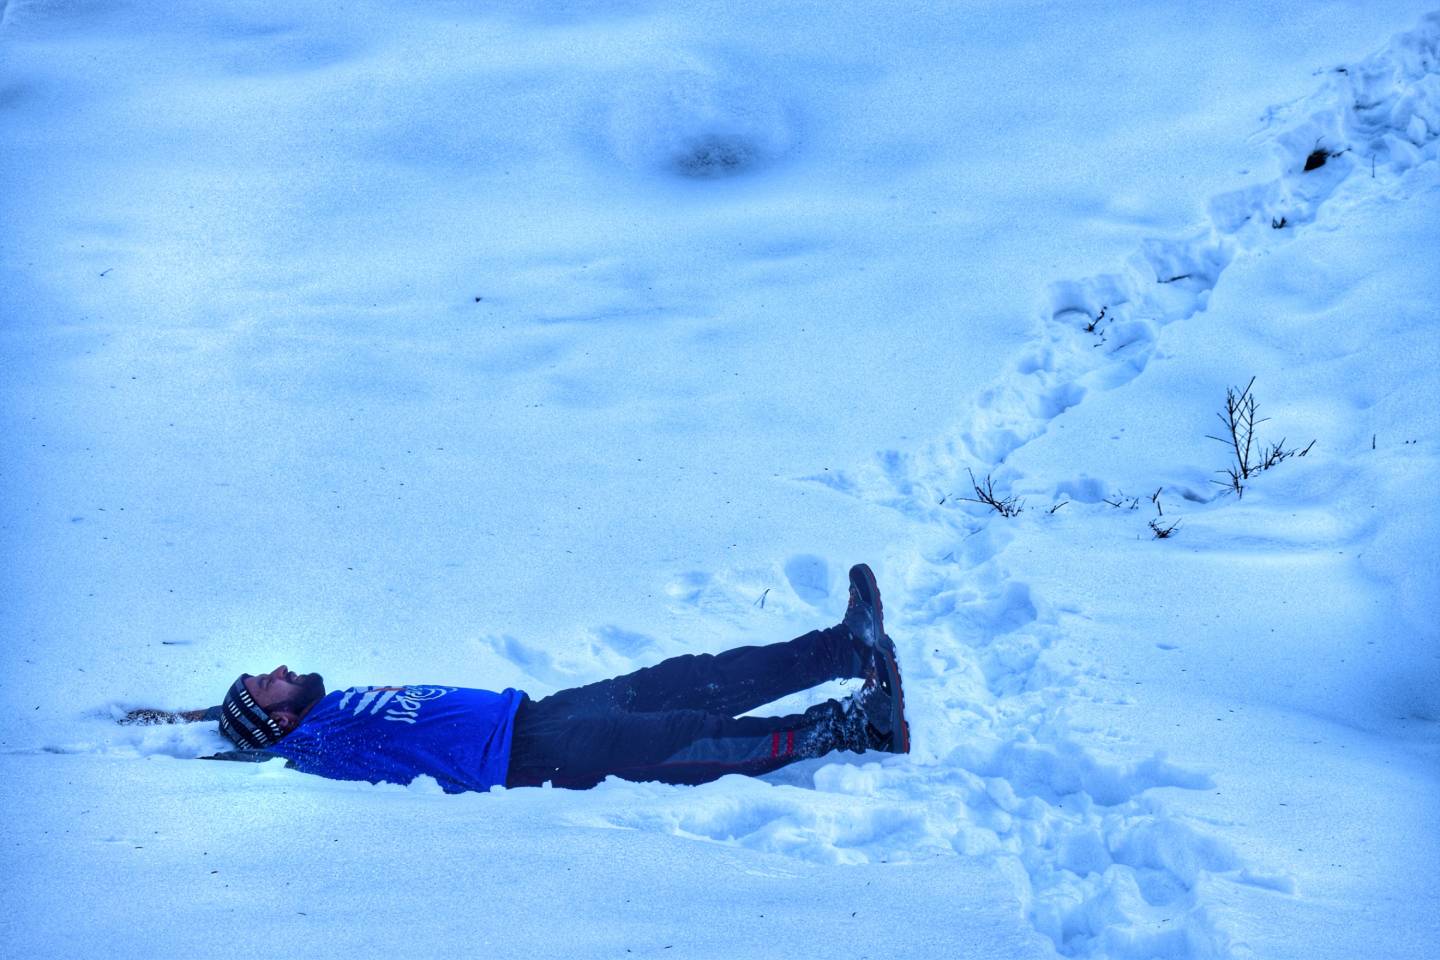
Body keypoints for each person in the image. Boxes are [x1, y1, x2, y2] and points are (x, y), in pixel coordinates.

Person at [120, 565, 909, 793]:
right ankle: (857, 728)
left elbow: (245, 724)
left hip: (538, 712)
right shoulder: (316, 747)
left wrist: (185, 713)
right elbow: (243, 763)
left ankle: (845, 649)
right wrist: (185, 743)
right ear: (276, 725)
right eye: (266, 684)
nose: (280, 670)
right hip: (534, 759)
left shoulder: (328, 709)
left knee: (693, 678)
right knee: (690, 739)